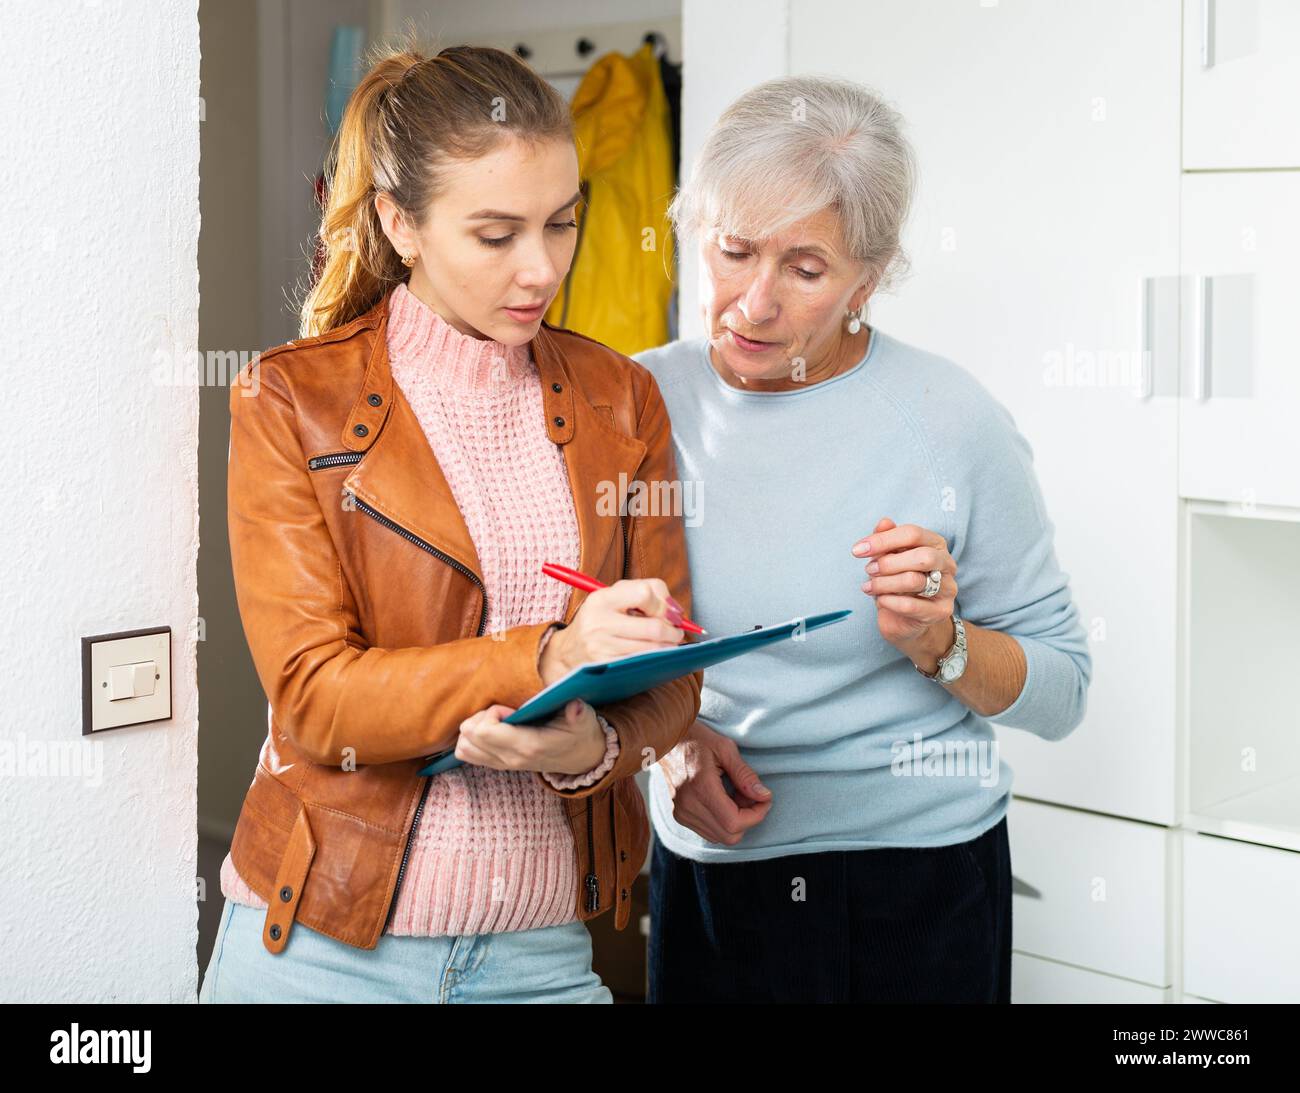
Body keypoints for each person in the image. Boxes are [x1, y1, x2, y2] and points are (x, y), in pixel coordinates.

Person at [200, 43, 700, 1004]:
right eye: (496, 234)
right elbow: (314, 697)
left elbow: (673, 674)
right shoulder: (289, 399)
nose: (542, 267)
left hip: (540, 953)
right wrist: (545, 659)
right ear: (401, 223)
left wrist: (590, 749)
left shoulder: (622, 398)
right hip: (322, 949)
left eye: (563, 223)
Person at [634, 74, 1092, 1003]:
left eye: (804, 270)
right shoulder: (633, 404)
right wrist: (669, 743)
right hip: (712, 871)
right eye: (732, 253)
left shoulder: (950, 418)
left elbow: (1063, 690)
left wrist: (944, 644)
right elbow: (575, 650)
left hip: (915, 880)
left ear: (867, 282)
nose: (751, 304)